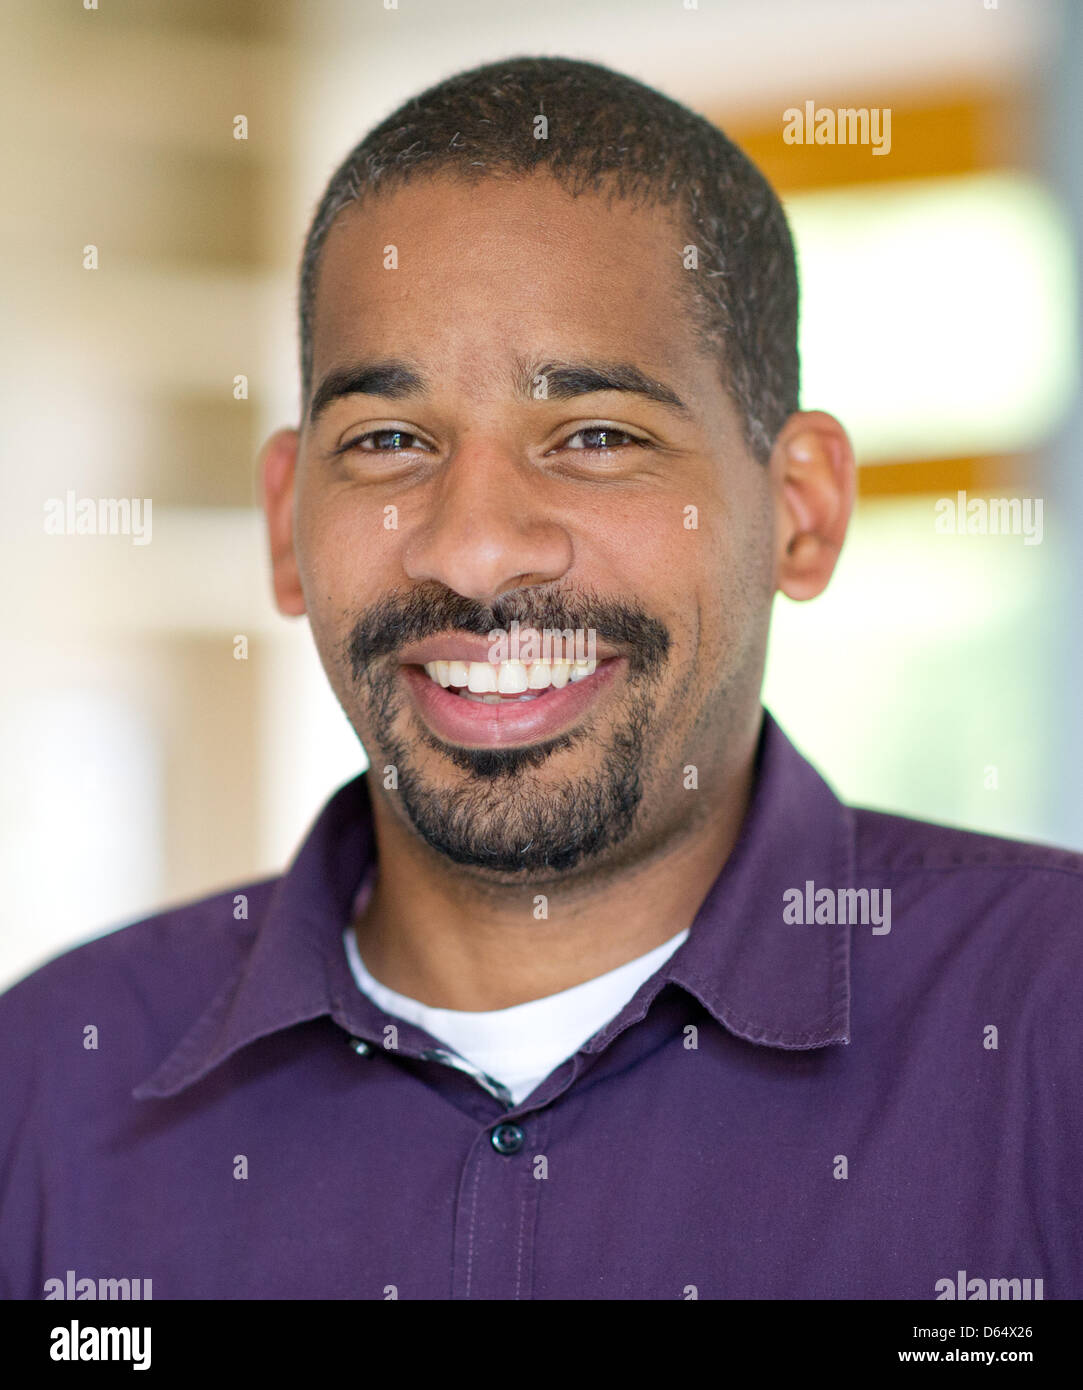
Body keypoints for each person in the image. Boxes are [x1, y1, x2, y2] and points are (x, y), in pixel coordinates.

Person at [2, 56, 1079, 1301]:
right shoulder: (47, 1092)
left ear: (801, 512)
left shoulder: (1052, 1027)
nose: (471, 547)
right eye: (390, 441)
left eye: (598, 437)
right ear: (288, 517)